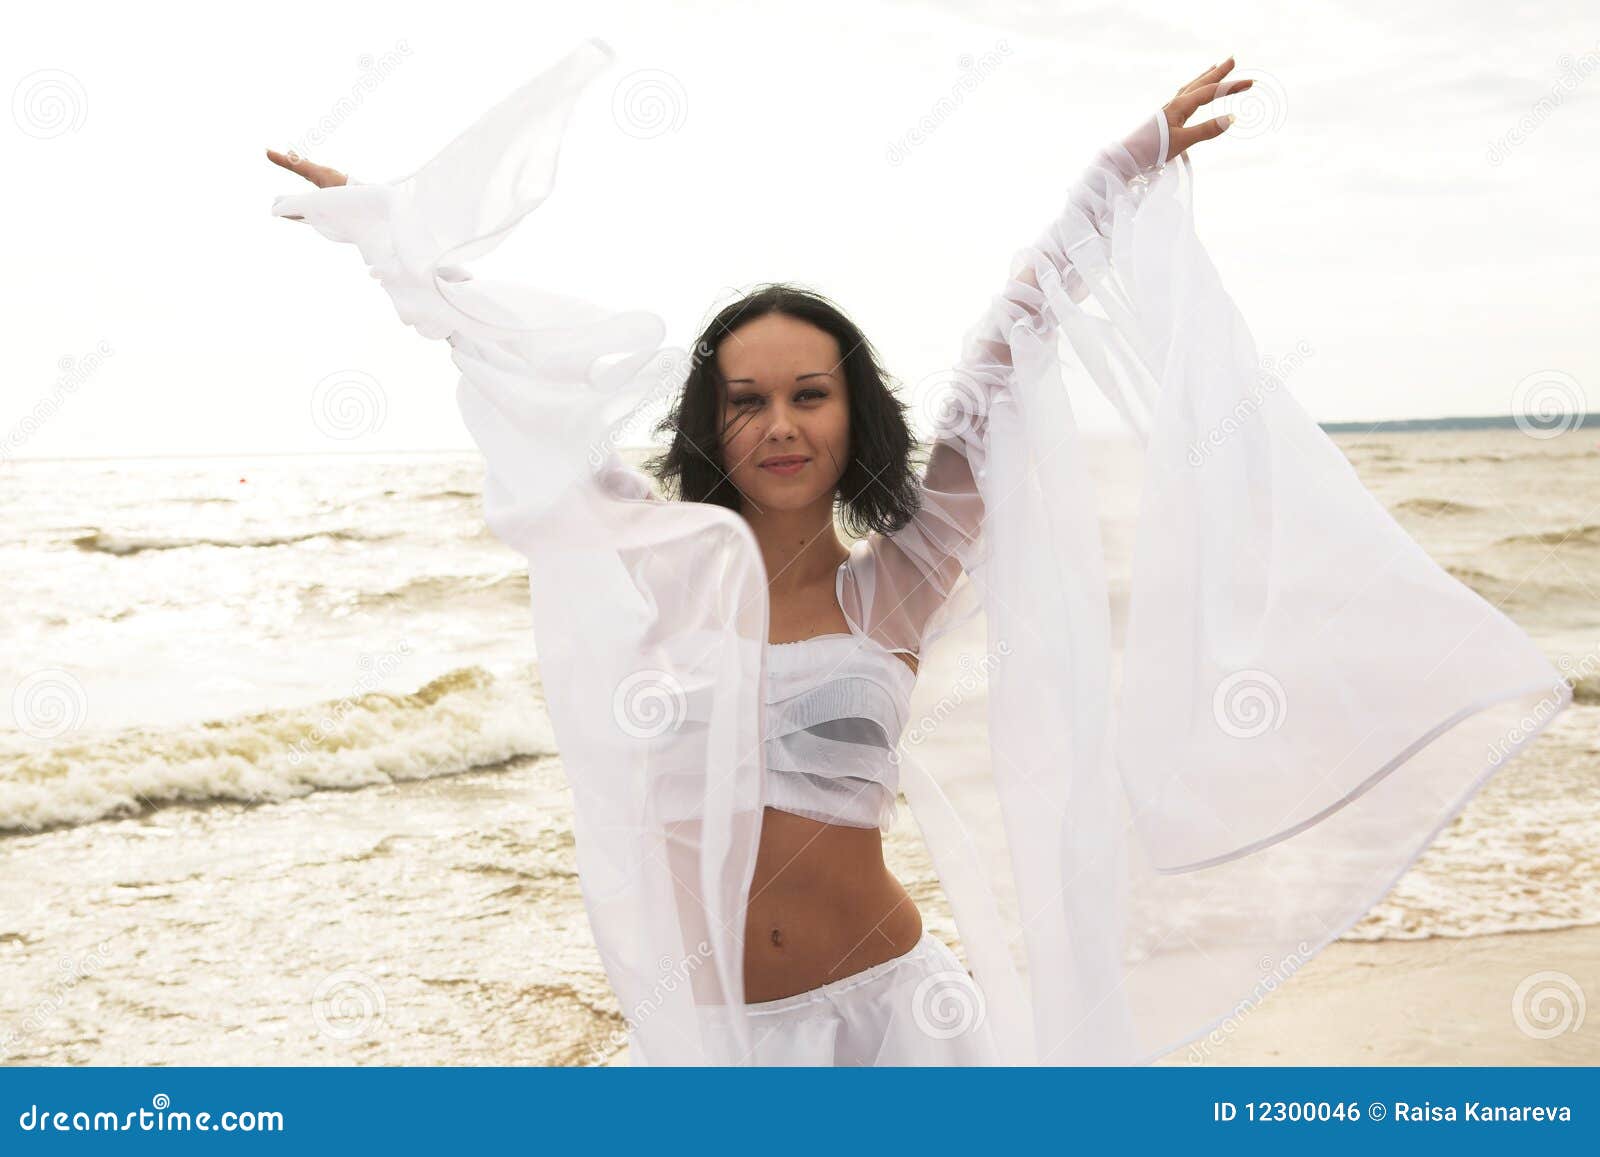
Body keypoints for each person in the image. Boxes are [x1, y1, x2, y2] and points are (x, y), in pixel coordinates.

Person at [269, 39, 1571, 1066]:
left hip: (896, 1026)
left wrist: (1116, 175)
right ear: (711, 421)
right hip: (712, 1047)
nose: (780, 422)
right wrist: (405, 253)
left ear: (853, 413)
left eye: (811, 392)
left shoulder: (896, 578)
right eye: (748, 396)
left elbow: (1007, 363)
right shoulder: (656, 562)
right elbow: (527, 395)